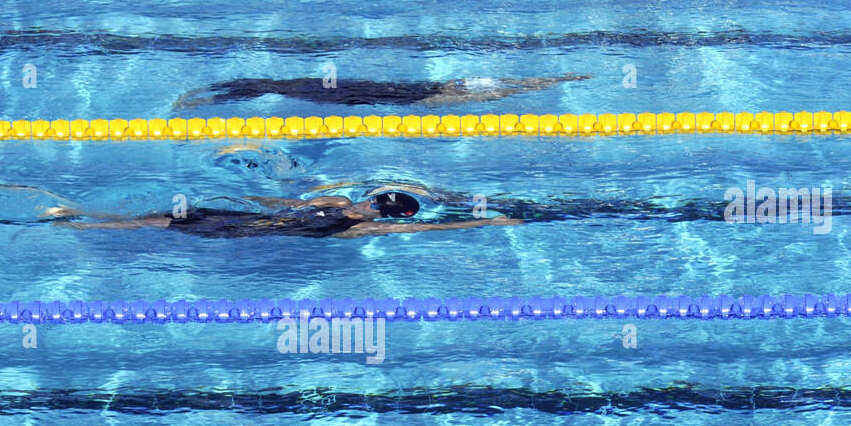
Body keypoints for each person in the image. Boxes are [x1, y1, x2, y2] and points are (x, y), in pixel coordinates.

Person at [43, 189, 521, 237]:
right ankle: (79, 215)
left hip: (241, 230)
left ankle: (79, 218)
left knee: (158, 223)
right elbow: (283, 204)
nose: (364, 207)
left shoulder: (355, 220)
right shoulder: (344, 216)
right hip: (240, 226)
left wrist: (487, 221)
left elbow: (442, 228)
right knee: (157, 219)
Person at [172, 74, 589, 111]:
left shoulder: (291, 89)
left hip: (364, 93)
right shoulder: (427, 96)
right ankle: (557, 80)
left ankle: (556, 80)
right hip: (390, 94)